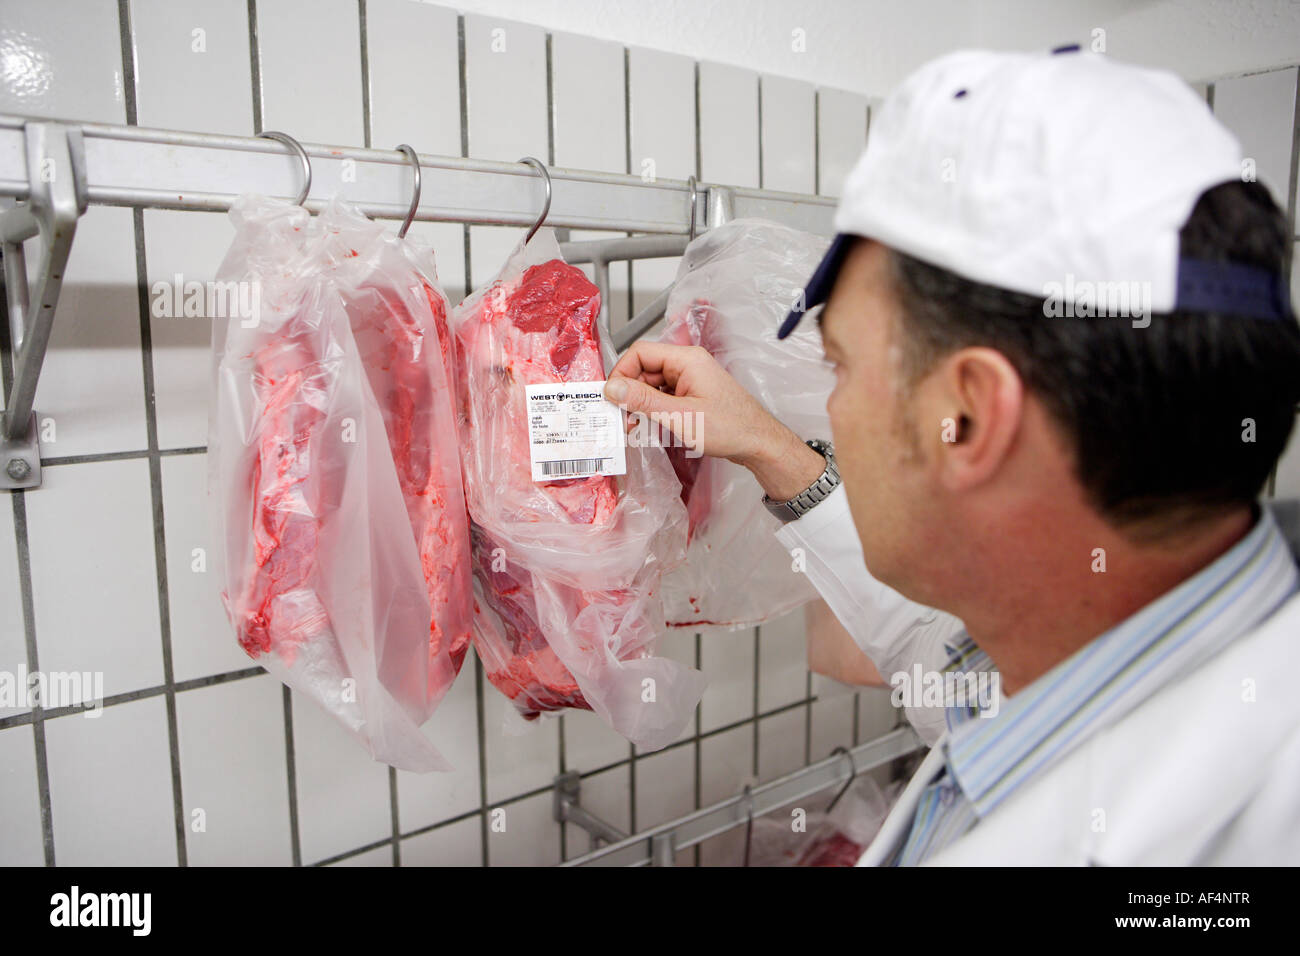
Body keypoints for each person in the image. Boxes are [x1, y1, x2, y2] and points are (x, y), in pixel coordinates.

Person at [603, 47, 1300, 865]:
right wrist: (765, 444)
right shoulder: (1083, 645)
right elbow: (944, 662)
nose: (832, 402)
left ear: (967, 417)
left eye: (844, 367)